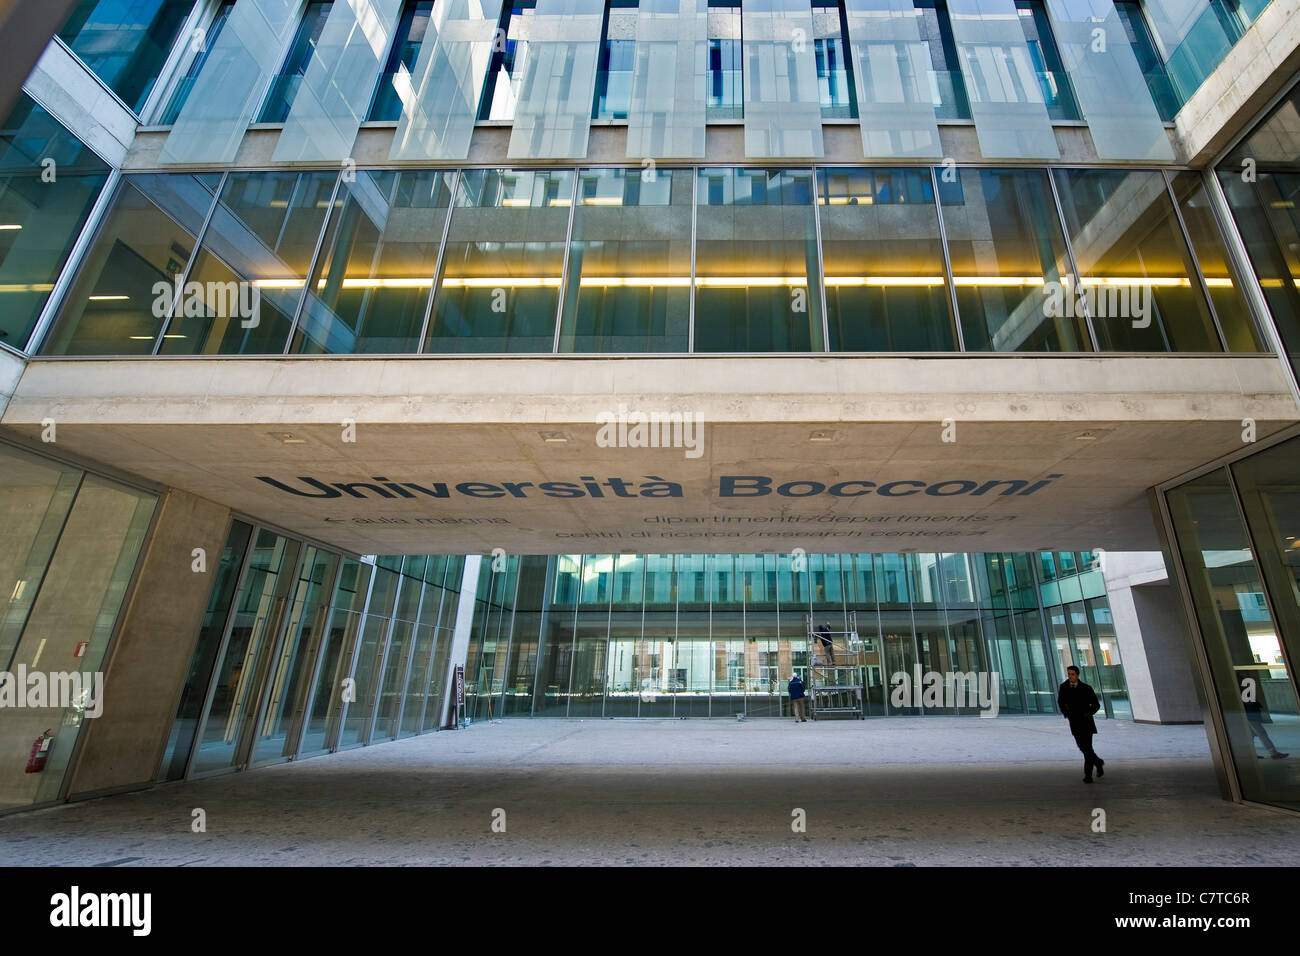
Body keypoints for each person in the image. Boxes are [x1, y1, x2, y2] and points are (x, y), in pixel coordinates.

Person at [1057, 665, 1105, 783]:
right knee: (1082, 747)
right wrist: (1066, 714)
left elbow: (1096, 704)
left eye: (1072, 674)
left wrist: (1088, 713)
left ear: (1077, 675)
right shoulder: (1064, 687)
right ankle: (1098, 762)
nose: (1070, 676)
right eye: (1068, 674)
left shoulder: (1086, 688)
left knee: (1087, 747)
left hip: (1086, 722)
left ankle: (1088, 775)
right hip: (1074, 722)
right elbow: (1061, 702)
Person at [1238, 667, 1289, 759]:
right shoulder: (1243, 683)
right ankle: (1273, 752)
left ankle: (1251, 753)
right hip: (1249, 712)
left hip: (1249, 711)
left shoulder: (1242, 683)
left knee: (1252, 734)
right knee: (1261, 733)